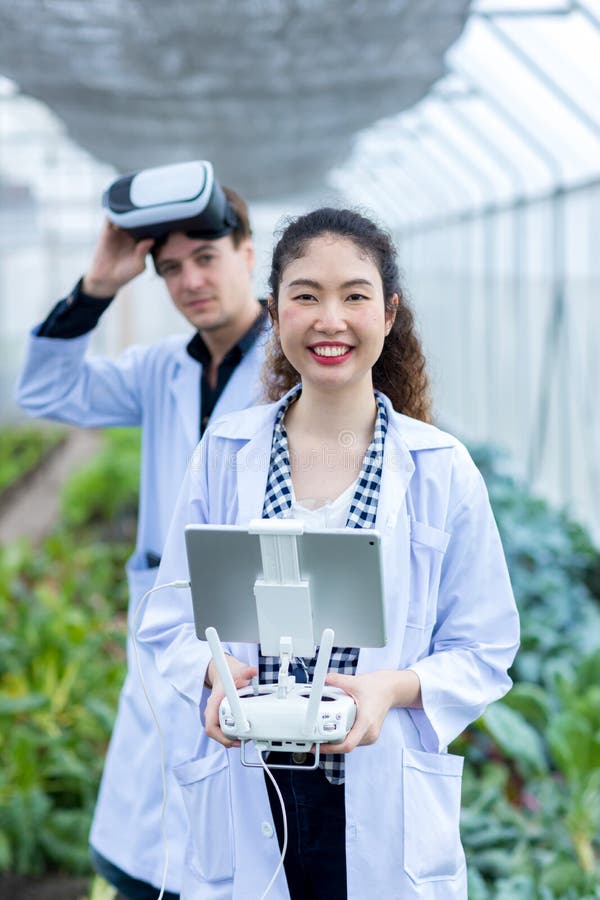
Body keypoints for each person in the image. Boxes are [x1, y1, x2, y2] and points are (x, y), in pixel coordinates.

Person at [139, 207, 520, 899]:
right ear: (274, 312)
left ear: (389, 311)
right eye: (305, 295)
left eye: (354, 296)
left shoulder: (441, 469)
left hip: (381, 798)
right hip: (251, 787)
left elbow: (484, 648)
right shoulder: (226, 456)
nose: (330, 319)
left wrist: (389, 690)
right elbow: (169, 618)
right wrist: (213, 673)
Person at [15, 176, 269, 899]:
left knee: (239, 843)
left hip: (257, 640)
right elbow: (45, 394)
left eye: (207, 256)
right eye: (171, 269)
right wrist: (98, 285)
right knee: (143, 843)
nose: (191, 280)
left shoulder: (296, 365)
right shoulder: (164, 370)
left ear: (247, 252)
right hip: (163, 630)